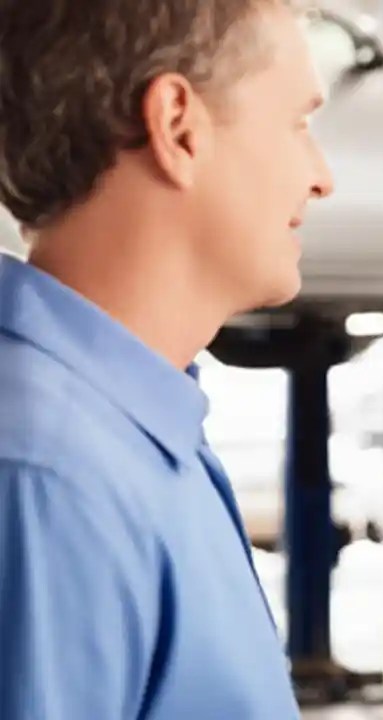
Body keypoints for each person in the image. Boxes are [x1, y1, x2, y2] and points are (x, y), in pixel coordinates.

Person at [0, 1, 333, 717]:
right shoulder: (48, 477)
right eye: (298, 125)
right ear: (179, 126)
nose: (321, 175)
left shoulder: (134, 429)